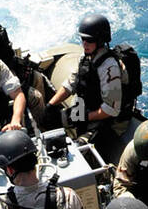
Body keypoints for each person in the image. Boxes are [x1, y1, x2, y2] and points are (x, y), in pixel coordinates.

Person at [47, 13, 124, 144]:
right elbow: (71, 83)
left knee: (81, 149)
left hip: (103, 119)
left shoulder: (109, 67)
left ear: (100, 40)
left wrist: (84, 118)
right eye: (83, 39)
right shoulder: (86, 57)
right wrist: (50, 105)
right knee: (51, 121)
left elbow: (112, 109)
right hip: (86, 108)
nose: (84, 43)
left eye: (89, 40)